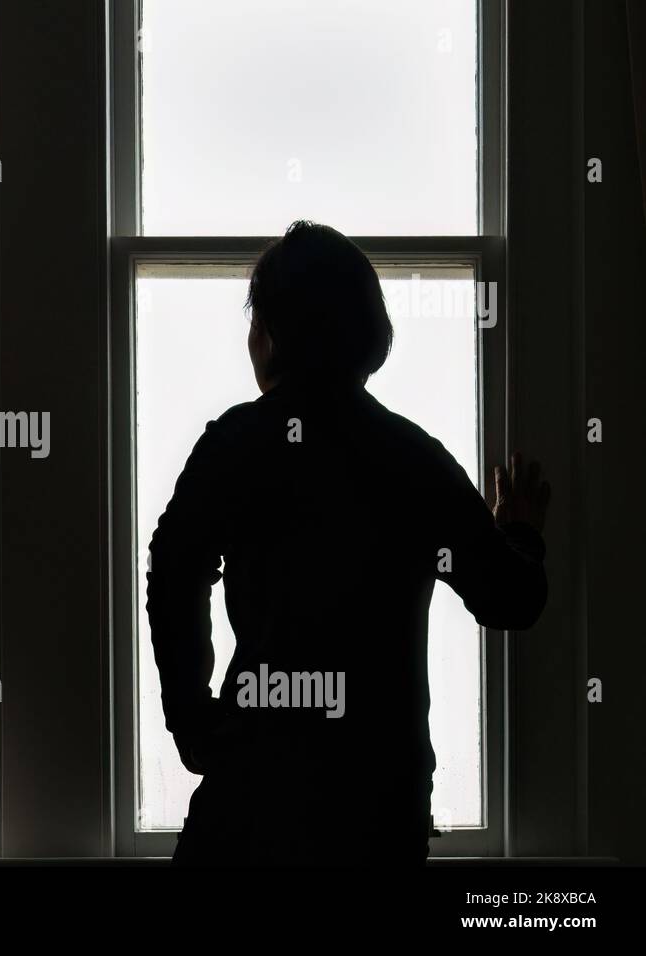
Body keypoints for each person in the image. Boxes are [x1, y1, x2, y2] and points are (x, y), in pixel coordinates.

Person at [146, 220, 550, 865]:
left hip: (257, 785)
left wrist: (192, 718)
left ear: (271, 333)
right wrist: (519, 528)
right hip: (377, 804)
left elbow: (172, 569)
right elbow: (512, 598)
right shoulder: (412, 458)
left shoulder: (235, 446)